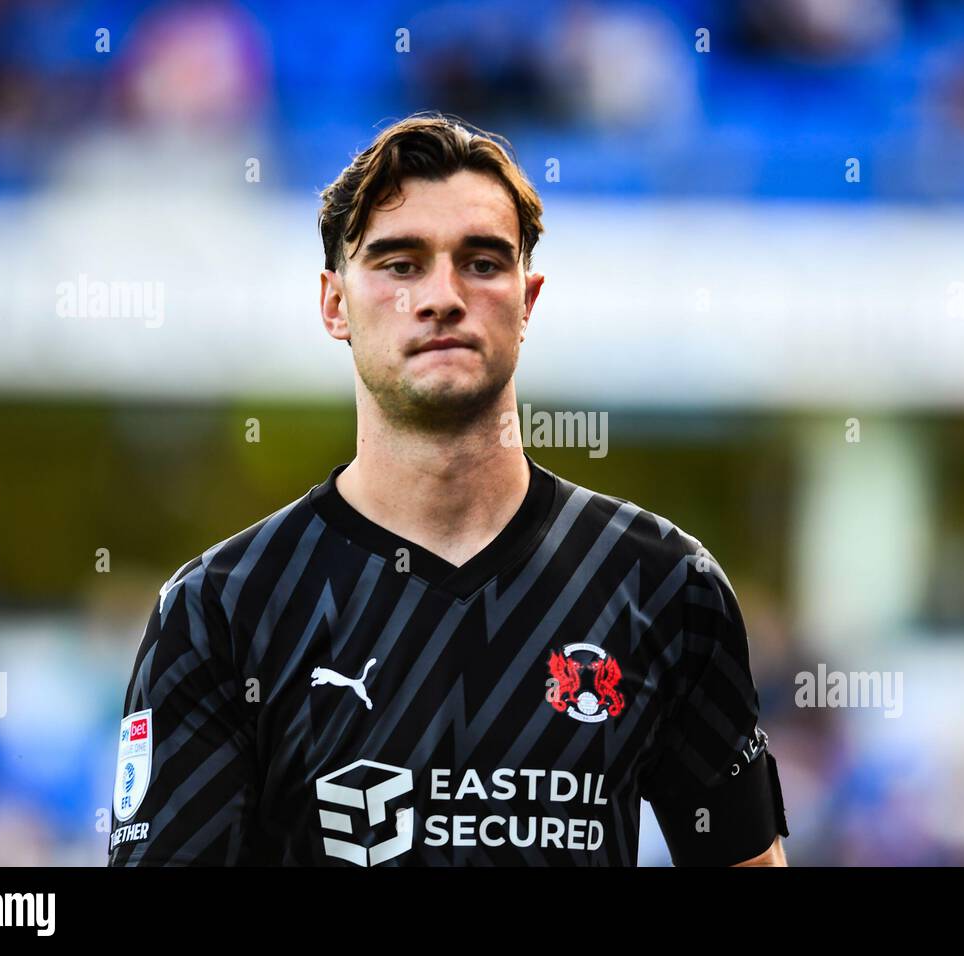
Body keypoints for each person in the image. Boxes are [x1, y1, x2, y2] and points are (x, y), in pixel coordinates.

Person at [108, 112, 789, 866]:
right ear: (335, 304)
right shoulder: (222, 609)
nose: (441, 296)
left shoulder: (663, 586)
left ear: (527, 300)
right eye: (400, 265)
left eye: (482, 262)